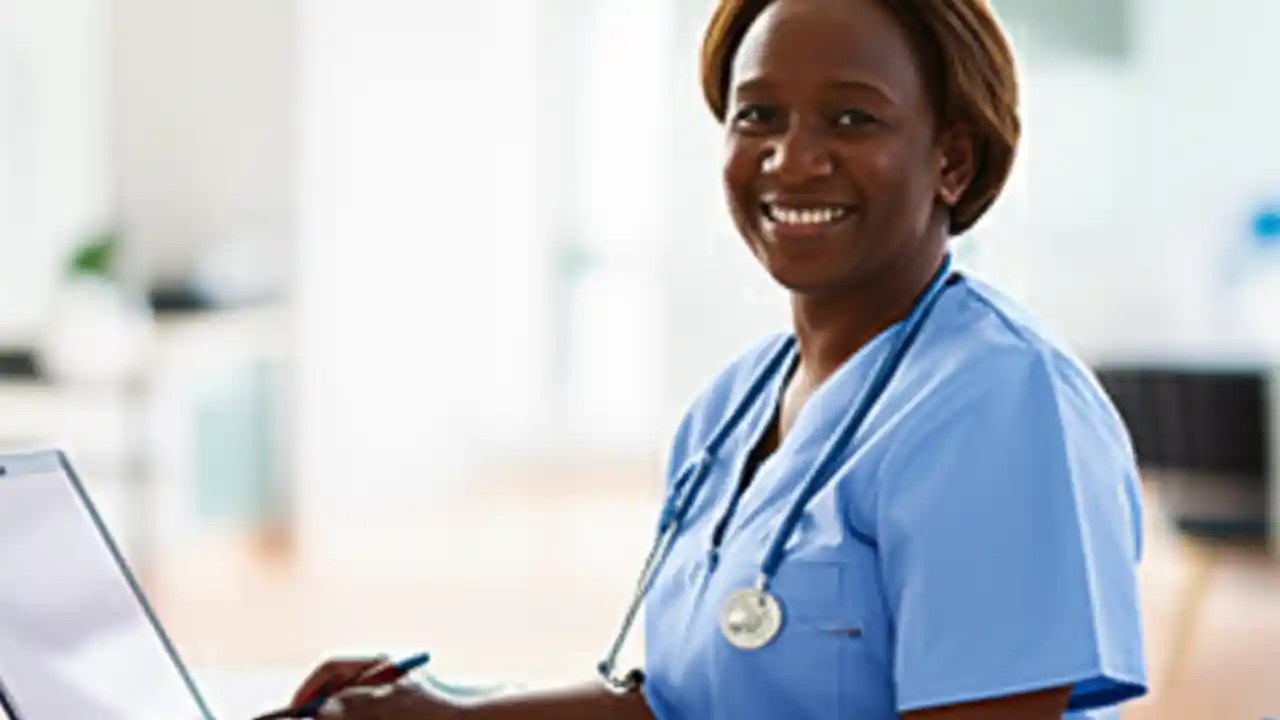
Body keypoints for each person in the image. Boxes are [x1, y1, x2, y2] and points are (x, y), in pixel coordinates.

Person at [288, 0, 1147, 717]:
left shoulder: (1004, 405)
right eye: (757, 116)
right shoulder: (732, 407)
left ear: (951, 161)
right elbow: (682, 703)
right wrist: (447, 716)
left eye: (851, 118)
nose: (792, 159)